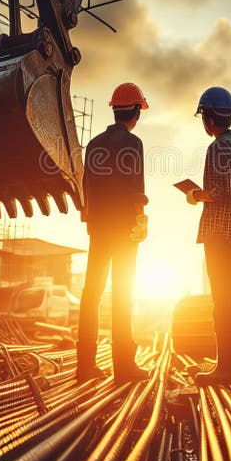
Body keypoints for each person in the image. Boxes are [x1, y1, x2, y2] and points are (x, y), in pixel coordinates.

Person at [76, 82, 149, 383]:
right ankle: (124, 367)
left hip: (99, 230)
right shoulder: (133, 144)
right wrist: (141, 218)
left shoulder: (93, 145)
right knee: (122, 295)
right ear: (135, 111)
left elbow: (86, 189)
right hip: (125, 231)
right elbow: (136, 187)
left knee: (91, 295)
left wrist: (92, 220)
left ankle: (84, 366)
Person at [186, 86, 231, 385]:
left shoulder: (219, 148)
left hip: (218, 232)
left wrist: (194, 194)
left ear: (209, 117)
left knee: (221, 298)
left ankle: (226, 368)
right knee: (229, 294)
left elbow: (221, 193)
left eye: (204, 116)